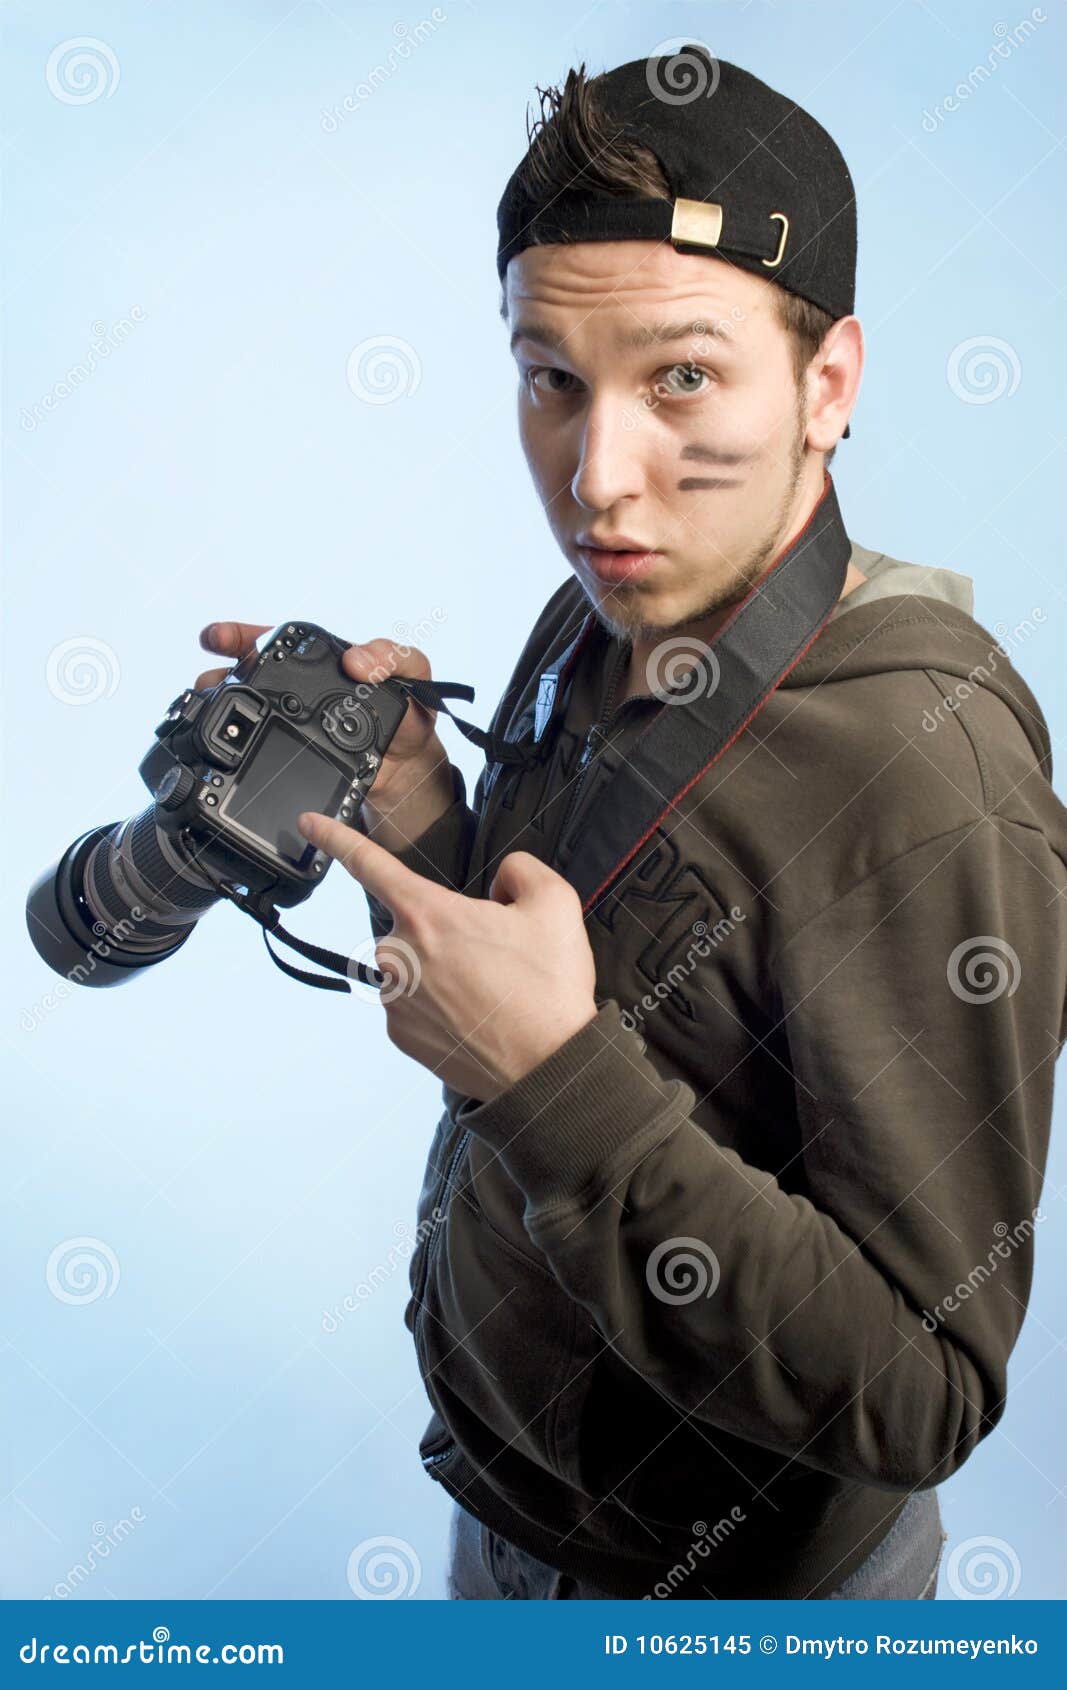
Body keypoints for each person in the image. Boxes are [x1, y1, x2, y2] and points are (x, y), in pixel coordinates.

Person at [196, 48, 1067, 1600]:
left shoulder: (930, 776)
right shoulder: (600, 611)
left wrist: (549, 1080)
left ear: (829, 384)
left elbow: (924, 1388)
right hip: (514, 1517)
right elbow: (603, 978)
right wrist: (424, 811)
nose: (599, 483)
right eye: (552, 381)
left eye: (680, 378)